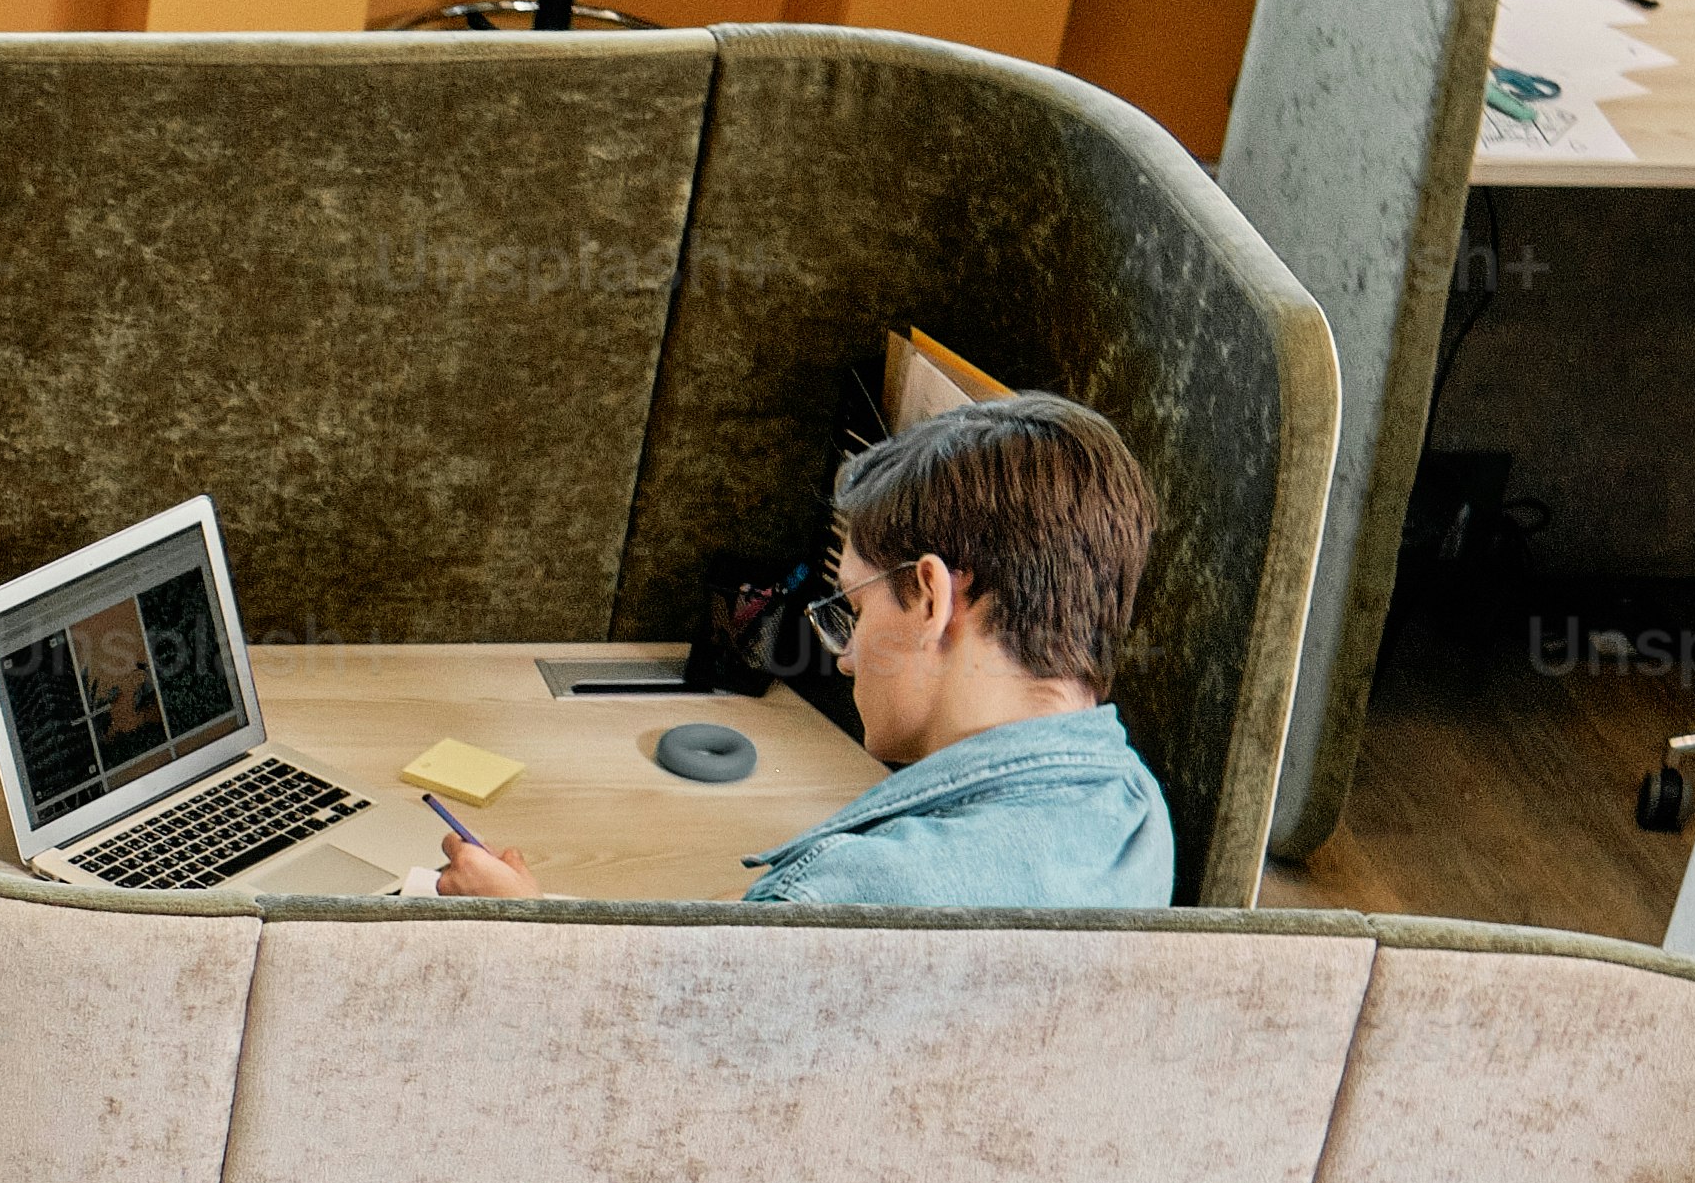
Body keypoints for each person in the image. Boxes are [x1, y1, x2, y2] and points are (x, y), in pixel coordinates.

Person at [435, 388, 1178, 910]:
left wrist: (520, 929)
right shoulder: (1137, 821)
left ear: (930, 599)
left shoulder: (839, 902)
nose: (845, 658)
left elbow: (637, 1041)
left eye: (853, 608)